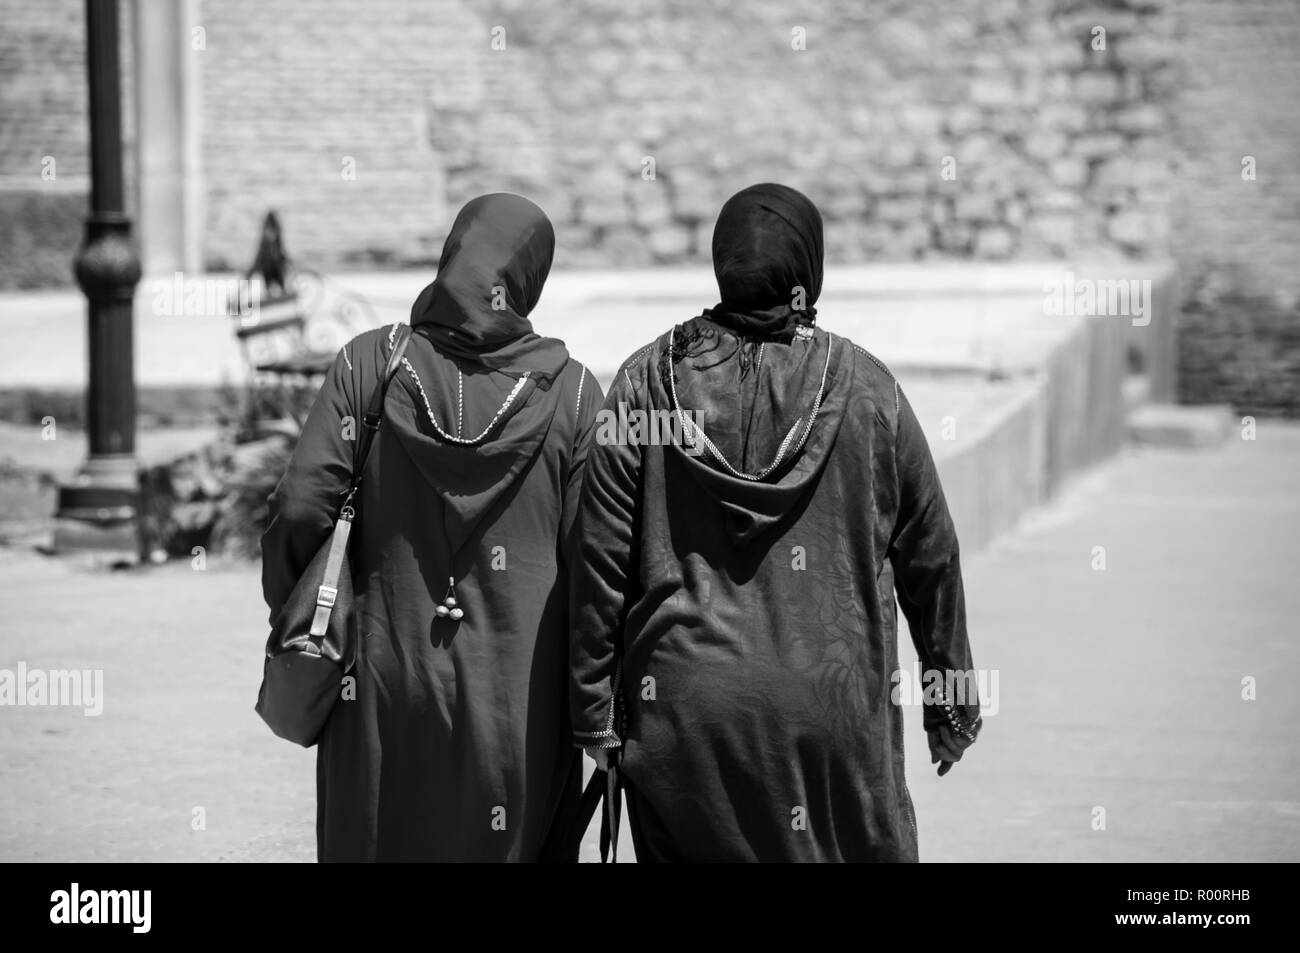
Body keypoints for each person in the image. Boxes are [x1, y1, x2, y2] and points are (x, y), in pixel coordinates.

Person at [569, 183, 981, 862]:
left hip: (684, 716)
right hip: (831, 710)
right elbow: (932, 556)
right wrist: (951, 700)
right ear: (807, 270)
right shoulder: (868, 388)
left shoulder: (643, 383)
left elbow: (601, 559)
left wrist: (595, 714)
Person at [262, 193, 602, 861]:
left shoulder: (370, 365)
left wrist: (300, 605)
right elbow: (598, 564)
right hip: (519, 706)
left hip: (380, 688)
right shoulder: (575, 395)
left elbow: (301, 506)